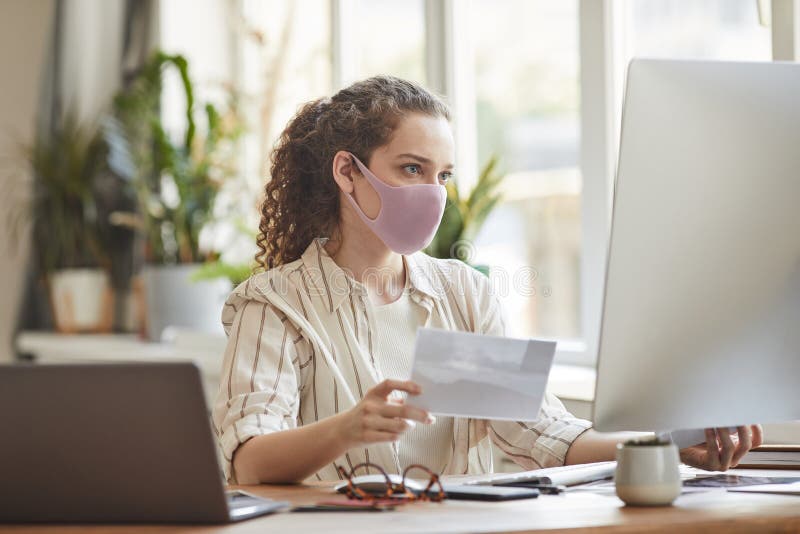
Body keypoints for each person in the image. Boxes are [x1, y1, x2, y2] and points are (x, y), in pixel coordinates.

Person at [211, 76, 762, 485]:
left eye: (443, 175)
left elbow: (537, 431)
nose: (433, 192)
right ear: (347, 172)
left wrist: (668, 445)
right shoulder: (275, 304)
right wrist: (345, 428)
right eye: (412, 168)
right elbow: (248, 460)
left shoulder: (465, 293)